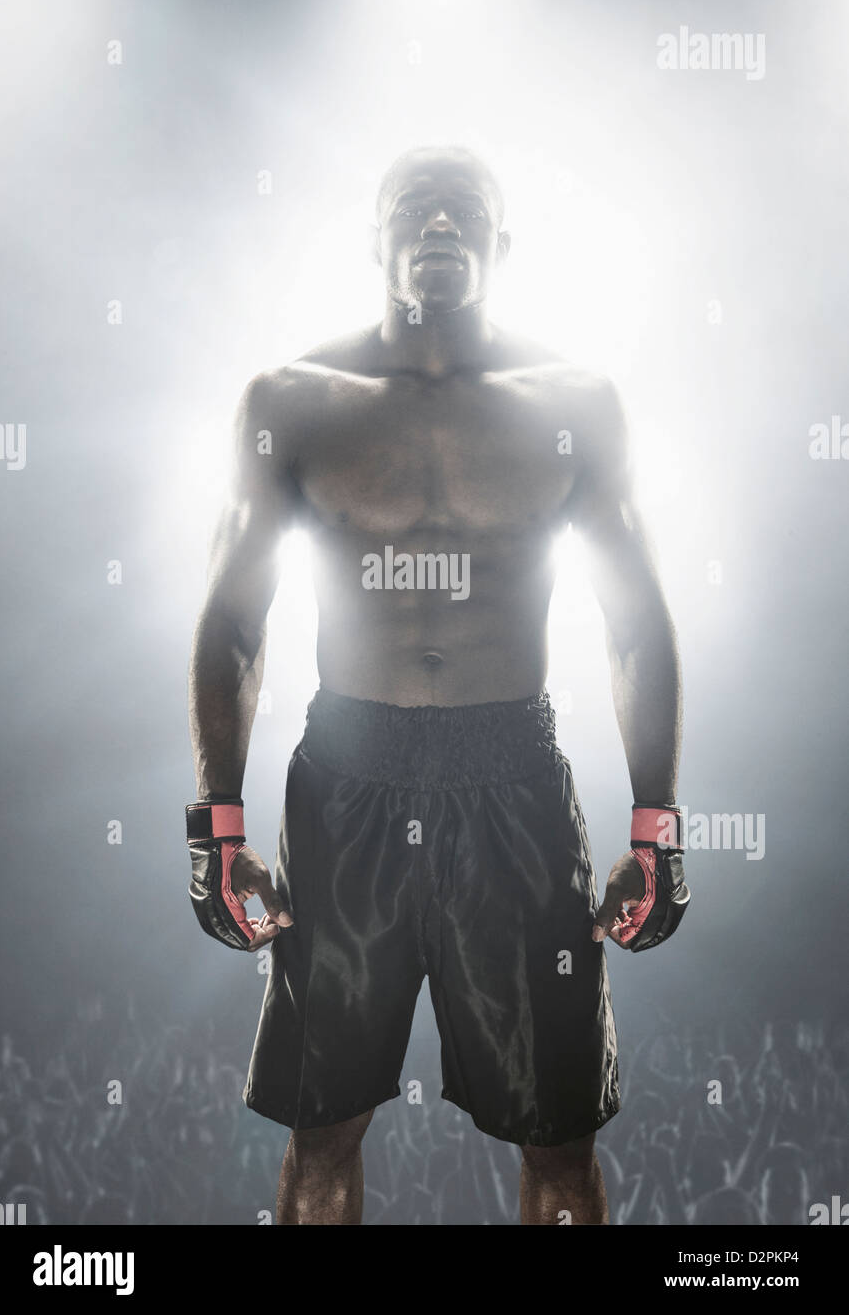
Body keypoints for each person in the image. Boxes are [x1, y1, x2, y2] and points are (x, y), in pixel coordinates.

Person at [186, 145, 689, 1225]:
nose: (442, 225)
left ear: (500, 244)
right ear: (376, 239)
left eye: (466, 211)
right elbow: (233, 618)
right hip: (346, 780)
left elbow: (635, 622)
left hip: (507, 774)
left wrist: (654, 829)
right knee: (320, 1124)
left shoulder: (574, 401)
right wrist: (216, 830)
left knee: (558, 1134)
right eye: (415, 208)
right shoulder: (292, 398)